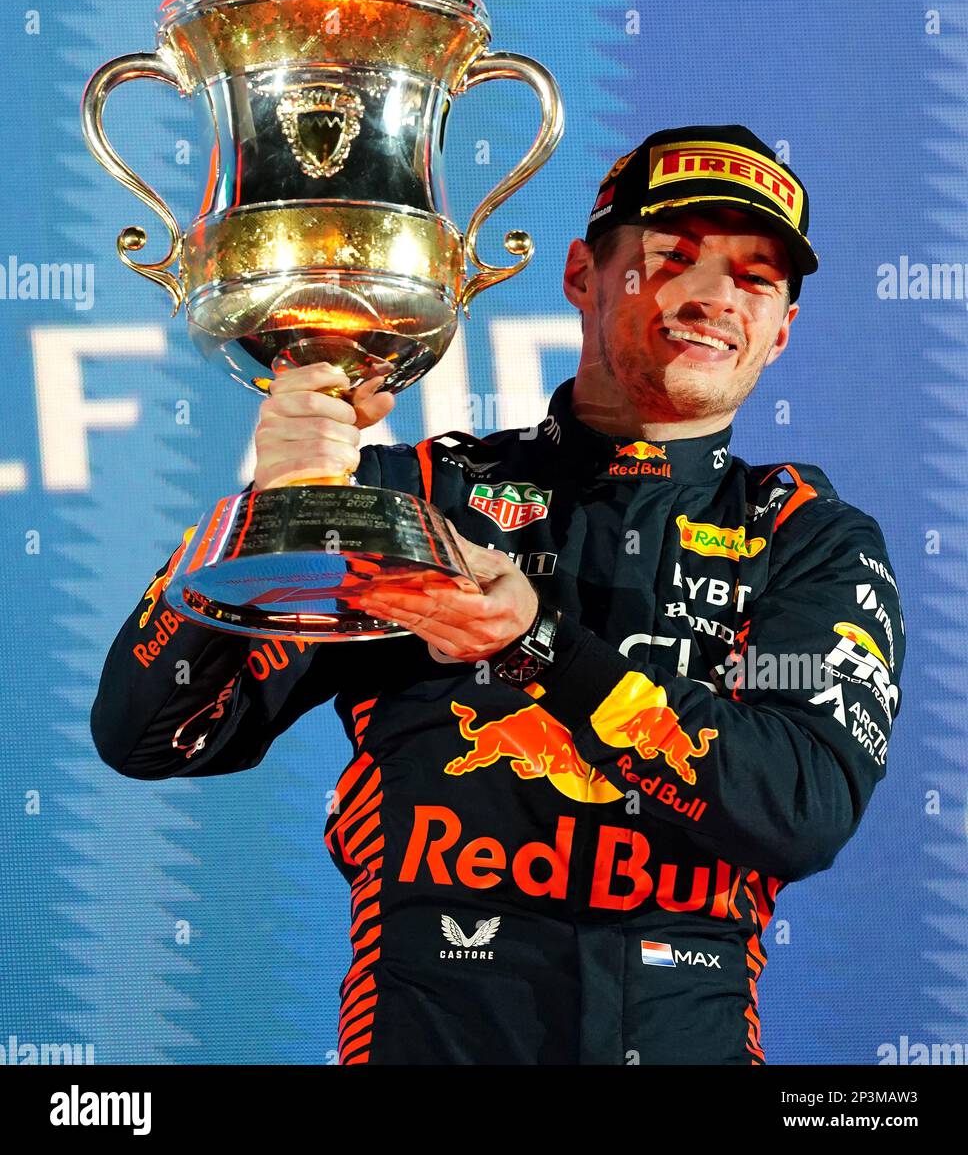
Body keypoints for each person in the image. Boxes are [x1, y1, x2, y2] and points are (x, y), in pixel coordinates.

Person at [91, 124, 905, 1066]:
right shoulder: (416, 499)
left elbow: (800, 811)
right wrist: (272, 517)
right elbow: (150, 736)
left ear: (782, 328)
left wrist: (534, 642)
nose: (715, 294)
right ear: (581, 275)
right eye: (670, 257)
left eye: (757, 278)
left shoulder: (805, 536)